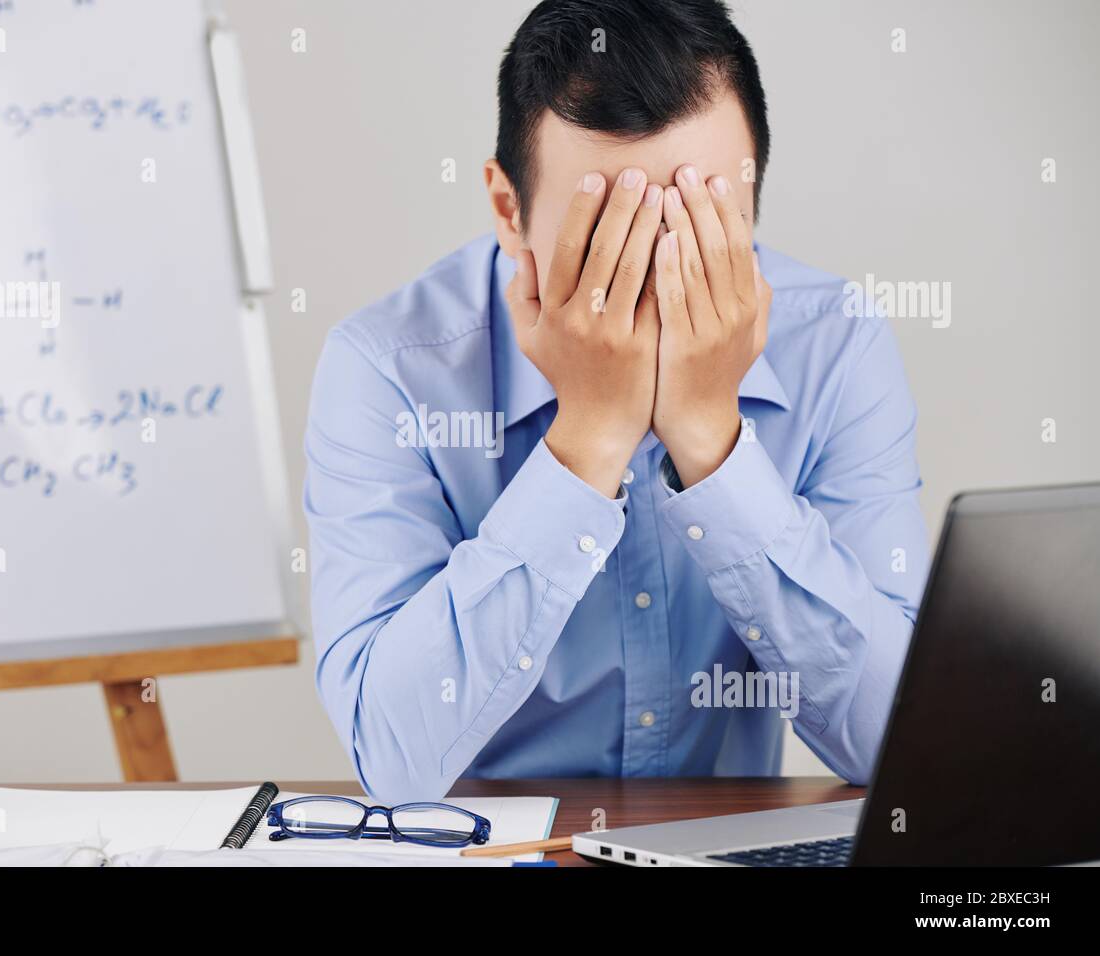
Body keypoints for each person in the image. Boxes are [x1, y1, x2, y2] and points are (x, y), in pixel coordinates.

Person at [304, 0, 926, 803]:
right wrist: (590, 437)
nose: (658, 272)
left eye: (704, 225)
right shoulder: (387, 369)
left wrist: (711, 439)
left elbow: (894, 742)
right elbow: (389, 756)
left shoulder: (836, 344)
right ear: (509, 210)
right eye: (607, 233)